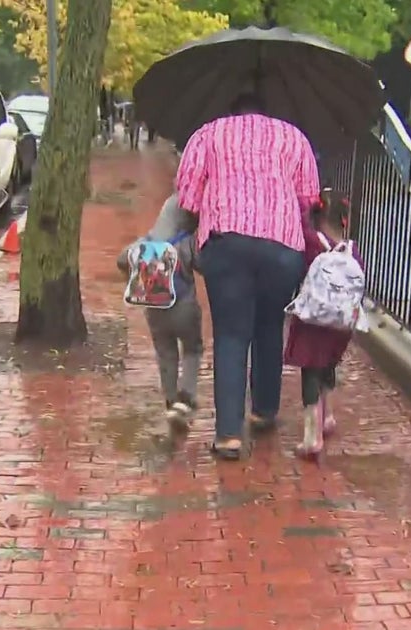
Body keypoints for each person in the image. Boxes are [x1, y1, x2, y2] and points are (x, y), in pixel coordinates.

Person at [176, 92, 320, 460]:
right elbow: (309, 198)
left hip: (227, 243)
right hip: (283, 246)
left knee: (231, 333)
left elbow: (188, 198)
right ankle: (264, 411)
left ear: (233, 111)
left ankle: (228, 436)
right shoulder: (293, 136)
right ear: (265, 112)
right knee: (270, 325)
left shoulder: (209, 134)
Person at [116, 193, 202, 431]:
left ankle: (170, 400)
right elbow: (203, 264)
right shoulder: (187, 242)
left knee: (166, 352)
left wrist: (133, 275)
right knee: (193, 348)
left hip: (154, 308)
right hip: (184, 305)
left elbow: (122, 259)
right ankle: (186, 396)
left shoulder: (147, 243)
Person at [283, 191, 359, 457]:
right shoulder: (351, 249)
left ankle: (311, 437)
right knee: (328, 365)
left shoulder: (312, 241)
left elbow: (299, 230)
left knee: (310, 372)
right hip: (340, 324)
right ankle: (329, 416)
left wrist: (301, 202)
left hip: (314, 321)